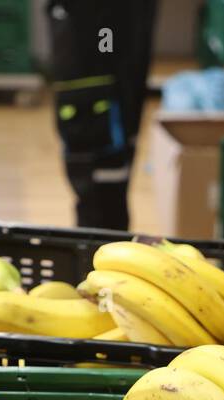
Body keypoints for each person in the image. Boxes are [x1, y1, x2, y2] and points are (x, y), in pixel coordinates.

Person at [44, 0, 159, 230]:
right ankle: (97, 244)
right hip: (89, 44)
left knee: (119, 158)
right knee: (96, 164)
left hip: (123, 40)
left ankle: (110, 238)